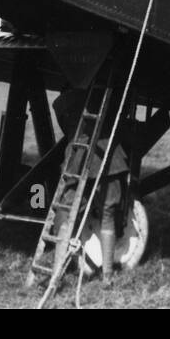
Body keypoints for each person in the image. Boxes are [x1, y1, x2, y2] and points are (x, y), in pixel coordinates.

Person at [53, 88, 127, 278]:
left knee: (66, 211)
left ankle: (57, 271)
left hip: (79, 158)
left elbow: (63, 120)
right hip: (111, 159)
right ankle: (108, 276)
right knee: (108, 215)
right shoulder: (112, 95)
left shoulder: (64, 101)